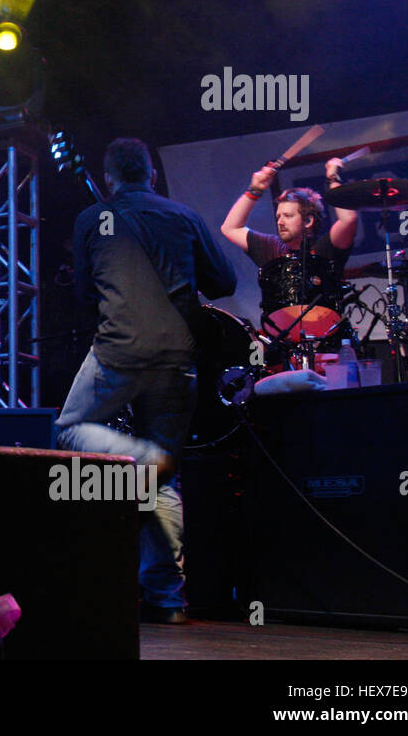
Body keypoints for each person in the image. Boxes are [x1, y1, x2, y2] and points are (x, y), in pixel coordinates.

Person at [55, 138, 236, 624]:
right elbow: (224, 283)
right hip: (179, 357)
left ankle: (140, 459)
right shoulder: (184, 215)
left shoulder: (92, 220)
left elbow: (84, 296)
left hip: (120, 350)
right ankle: (168, 601)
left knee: (68, 429)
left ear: (109, 179)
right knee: (165, 479)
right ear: (152, 174)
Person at [220, 157, 357, 346]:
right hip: (283, 342)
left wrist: (333, 176)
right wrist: (255, 189)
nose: (280, 222)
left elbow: (348, 220)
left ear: (308, 221)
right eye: (278, 216)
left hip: (330, 340)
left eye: (288, 216)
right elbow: (230, 228)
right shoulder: (271, 248)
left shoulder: (326, 248)